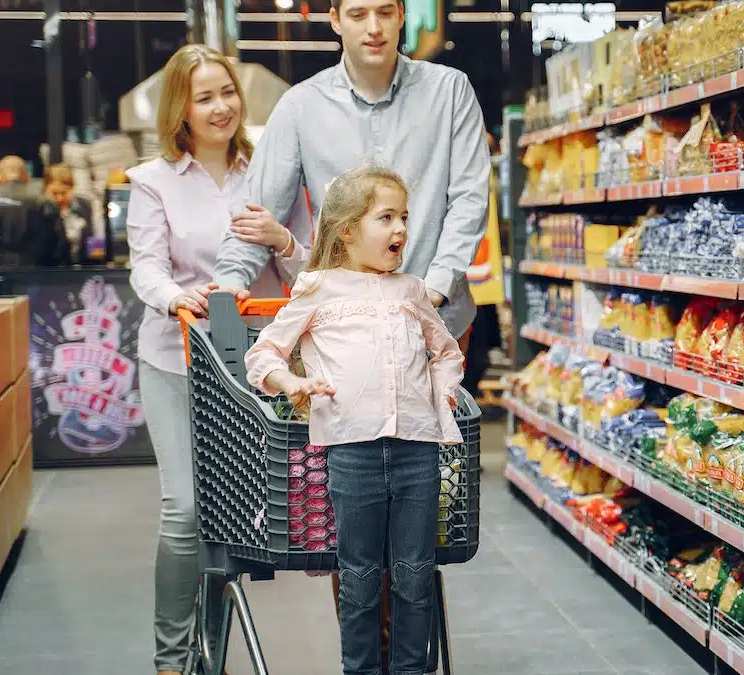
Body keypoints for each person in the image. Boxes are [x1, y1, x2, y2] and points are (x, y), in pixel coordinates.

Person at [125, 43, 309, 675]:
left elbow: (309, 271)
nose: (221, 107)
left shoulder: (272, 174)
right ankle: (171, 660)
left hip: (252, 371)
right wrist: (177, 296)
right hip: (176, 362)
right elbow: (145, 269)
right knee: (185, 509)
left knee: (231, 519)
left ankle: (213, 652)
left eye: (227, 92)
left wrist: (284, 241)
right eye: (204, 97)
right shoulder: (152, 182)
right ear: (180, 108)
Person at [244, 165, 463, 675]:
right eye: (385, 217)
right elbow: (264, 354)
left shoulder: (412, 290)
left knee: (415, 574)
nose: (400, 228)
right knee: (360, 578)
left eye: (404, 217)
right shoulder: (318, 289)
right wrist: (292, 382)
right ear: (346, 231)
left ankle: (412, 669)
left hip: (418, 450)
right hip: (351, 453)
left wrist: (442, 394)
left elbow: (447, 353)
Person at [212, 0, 491, 358]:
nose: (374, 27)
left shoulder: (449, 91)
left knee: (445, 397)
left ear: (401, 15)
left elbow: (469, 198)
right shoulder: (300, 106)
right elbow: (258, 213)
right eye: (358, 14)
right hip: (345, 332)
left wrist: (434, 289)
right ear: (336, 20)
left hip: (438, 324)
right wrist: (229, 282)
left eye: (385, 12)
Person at [41, 163, 97, 263]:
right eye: (54, 193)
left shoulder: (84, 206)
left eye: (64, 193)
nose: (60, 198)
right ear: (45, 190)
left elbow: (91, 239)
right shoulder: (39, 209)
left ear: (72, 188)